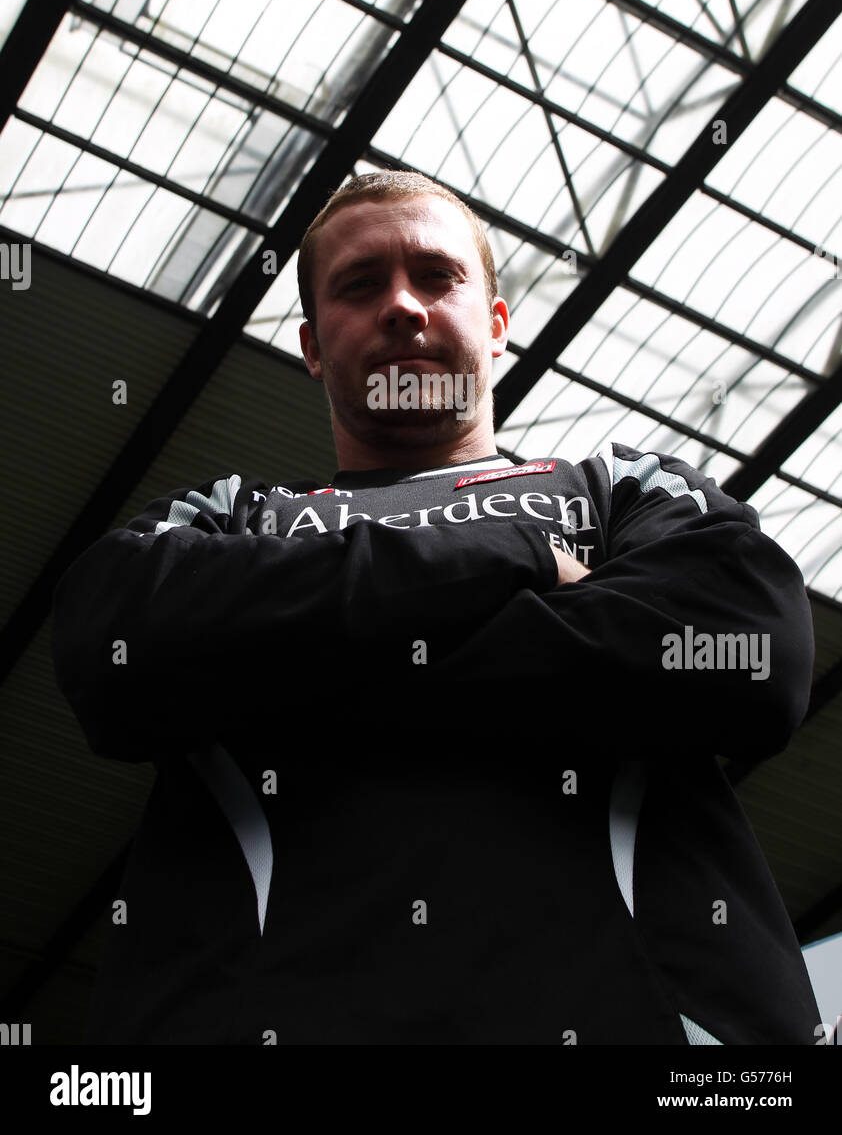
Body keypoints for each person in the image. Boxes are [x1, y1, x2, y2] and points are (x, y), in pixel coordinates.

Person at [52, 169, 821, 1045]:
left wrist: (300, 650)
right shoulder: (235, 514)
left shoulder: (617, 490)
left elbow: (757, 652)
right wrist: (521, 556)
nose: (403, 306)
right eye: (359, 284)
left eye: (436, 276)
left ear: (496, 328)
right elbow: (106, 643)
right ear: (310, 345)